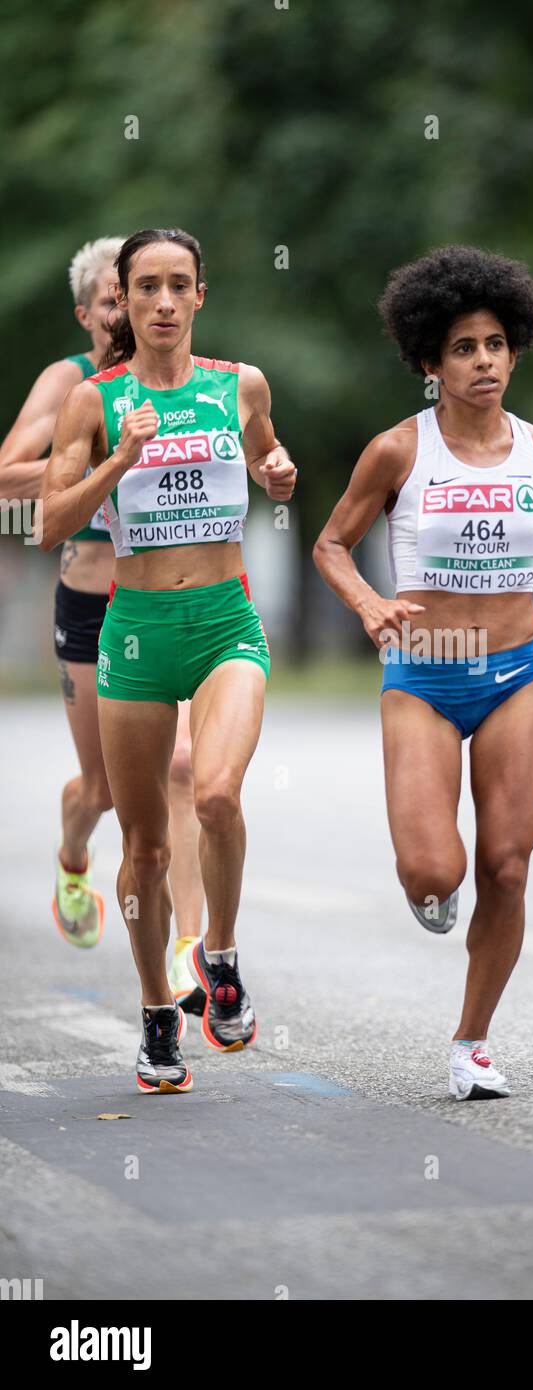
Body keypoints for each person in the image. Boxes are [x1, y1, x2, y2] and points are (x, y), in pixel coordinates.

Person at [314, 245, 533, 1100]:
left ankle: (472, 1042)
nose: (482, 362)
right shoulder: (396, 452)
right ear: (428, 362)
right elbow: (330, 544)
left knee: (510, 867)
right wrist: (371, 605)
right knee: (435, 871)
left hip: (514, 670)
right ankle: (432, 886)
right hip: (425, 671)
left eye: (494, 344)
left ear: (515, 347)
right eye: (462, 348)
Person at [39, 227, 296, 1093]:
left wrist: (278, 470)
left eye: (177, 285)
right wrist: (120, 457)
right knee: (144, 847)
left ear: (199, 296)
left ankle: (218, 952)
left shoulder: (240, 384)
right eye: (144, 286)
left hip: (226, 621)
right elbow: (46, 523)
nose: (160, 302)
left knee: (217, 792)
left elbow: (267, 455)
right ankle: (156, 1013)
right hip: (137, 632)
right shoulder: (93, 400)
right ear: (125, 296)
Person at [0, 238, 205, 992]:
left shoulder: (186, 377)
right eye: (118, 299)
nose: (139, 308)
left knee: (180, 771)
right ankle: (74, 853)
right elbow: (3, 476)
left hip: (168, 599)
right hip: (91, 607)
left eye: (152, 291)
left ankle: (191, 950)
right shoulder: (74, 381)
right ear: (88, 312)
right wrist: (92, 458)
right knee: (108, 791)